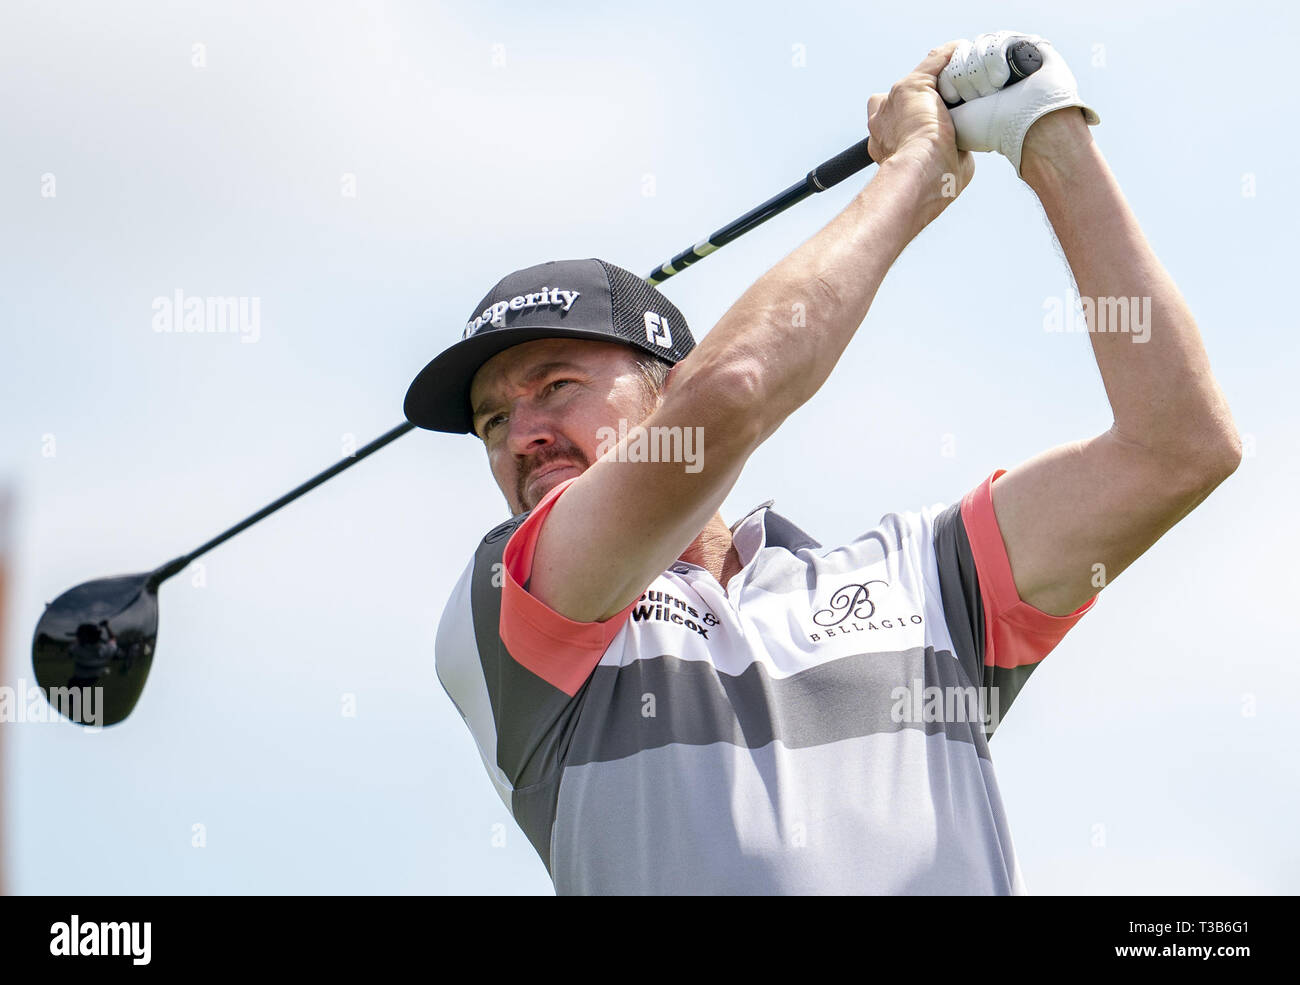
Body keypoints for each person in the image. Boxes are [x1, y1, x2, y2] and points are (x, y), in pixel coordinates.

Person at [403, 32, 1241, 894]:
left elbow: (1177, 445)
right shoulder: (507, 607)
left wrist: (1046, 131)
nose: (522, 433)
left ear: (666, 388)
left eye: (556, 385)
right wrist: (916, 173)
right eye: (493, 419)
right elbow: (733, 392)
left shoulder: (924, 581)